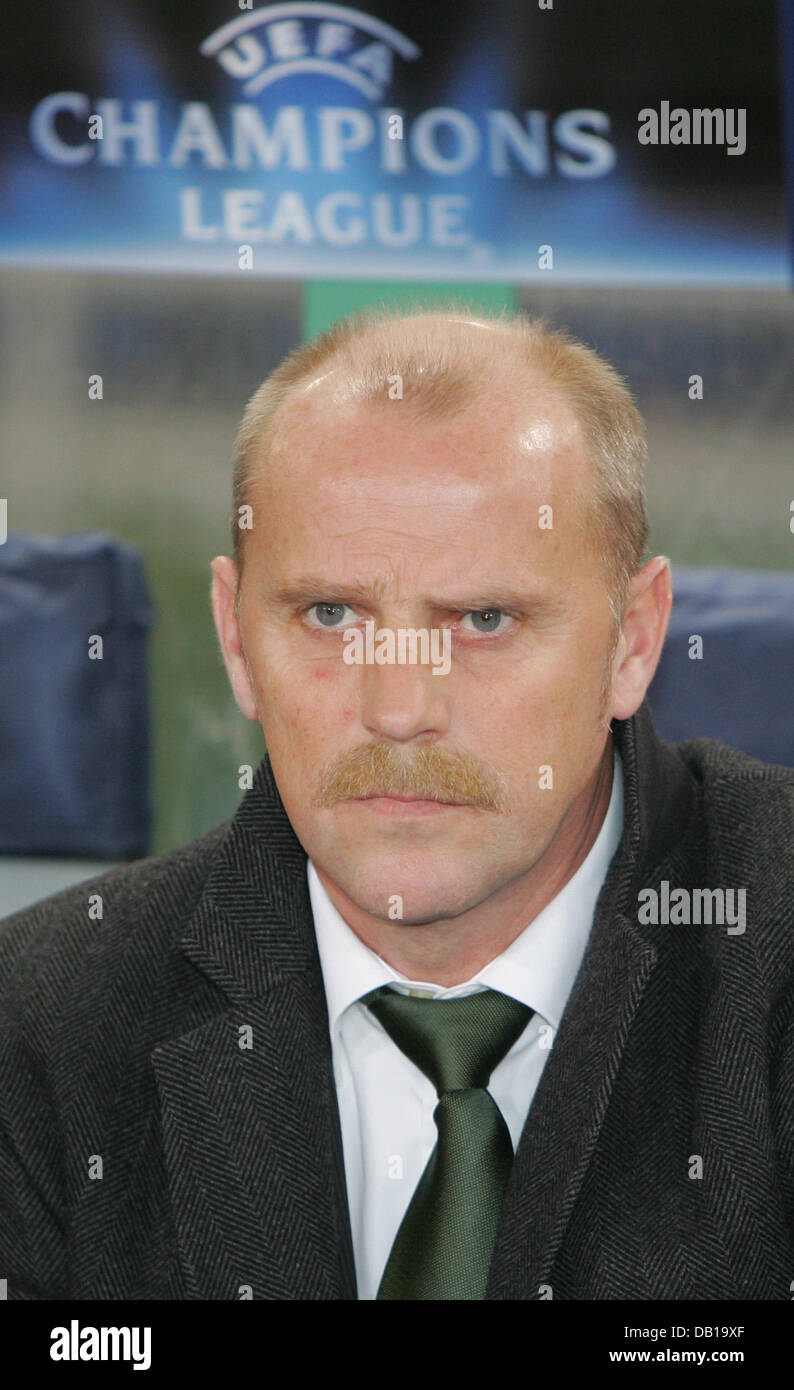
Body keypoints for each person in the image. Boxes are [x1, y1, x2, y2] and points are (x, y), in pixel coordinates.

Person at [1, 308, 792, 1301]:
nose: (397, 708)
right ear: (238, 641)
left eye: (483, 619)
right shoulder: (38, 1026)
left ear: (630, 641)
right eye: (330, 615)